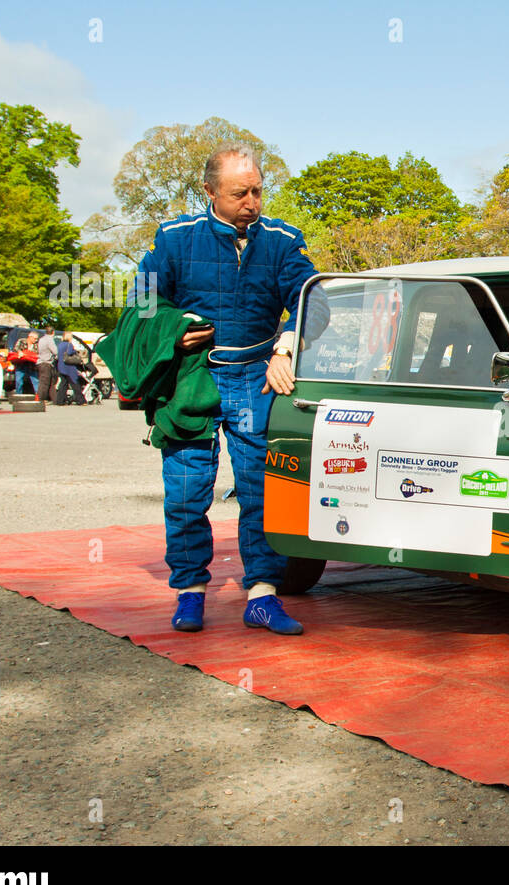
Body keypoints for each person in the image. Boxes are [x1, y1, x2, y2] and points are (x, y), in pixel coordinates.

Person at [130, 143, 319, 635]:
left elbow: (308, 297)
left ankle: (262, 595)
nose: (252, 201)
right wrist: (172, 331)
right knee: (187, 492)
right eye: (240, 193)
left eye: (257, 190)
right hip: (190, 379)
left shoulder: (282, 239)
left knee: (261, 490)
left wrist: (285, 347)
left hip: (256, 377)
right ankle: (190, 592)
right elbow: (142, 302)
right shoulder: (174, 238)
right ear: (210, 191)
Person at [54, 331, 85, 405]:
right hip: (69, 367)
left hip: (61, 366)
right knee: (75, 384)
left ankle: (60, 401)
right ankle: (81, 400)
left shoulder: (60, 344)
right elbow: (70, 353)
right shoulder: (69, 345)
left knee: (63, 384)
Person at [36, 326, 58, 403]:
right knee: (45, 382)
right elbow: (55, 351)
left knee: (50, 381)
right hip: (46, 362)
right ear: (53, 332)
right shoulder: (50, 340)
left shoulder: (41, 339)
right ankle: (41, 399)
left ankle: (54, 399)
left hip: (40, 362)